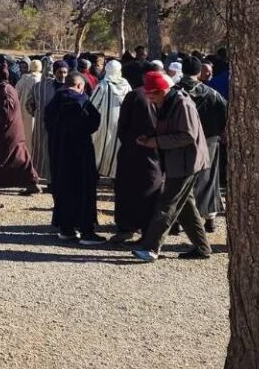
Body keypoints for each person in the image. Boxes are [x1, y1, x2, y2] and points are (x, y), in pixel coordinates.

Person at [130, 71, 211, 262]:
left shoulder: (182, 104)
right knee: (185, 207)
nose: (149, 99)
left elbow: (187, 135)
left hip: (186, 162)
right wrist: (151, 138)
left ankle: (151, 248)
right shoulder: (168, 102)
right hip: (178, 161)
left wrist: (156, 142)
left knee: (167, 204)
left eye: (152, 94)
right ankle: (202, 247)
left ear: (161, 90)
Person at [44, 71, 101, 242]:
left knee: (63, 188)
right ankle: (86, 231)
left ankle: (66, 228)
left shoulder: (52, 103)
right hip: (80, 152)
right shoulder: (81, 101)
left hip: (58, 152)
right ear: (79, 86)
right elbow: (94, 121)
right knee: (83, 189)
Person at [108, 78, 163, 242]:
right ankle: (147, 231)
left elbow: (122, 124)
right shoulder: (162, 97)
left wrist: (128, 141)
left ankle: (126, 227)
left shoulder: (134, 95)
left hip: (131, 150)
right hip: (153, 152)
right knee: (150, 191)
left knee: (126, 190)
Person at [0, 54, 39, 193]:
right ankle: (29, 182)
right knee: (19, 155)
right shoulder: (8, 88)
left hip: (5, 130)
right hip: (12, 129)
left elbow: (6, 113)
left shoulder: (5, 91)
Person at [179, 65, 228, 232]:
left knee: (180, 180)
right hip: (209, 141)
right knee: (208, 179)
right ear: (198, 72)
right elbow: (225, 113)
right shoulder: (212, 94)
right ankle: (210, 218)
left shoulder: (174, 92)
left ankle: (179, 220)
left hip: (180, 141)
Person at [26, 59, 67, 184]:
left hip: (62, 128)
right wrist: (38, 115)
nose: (63, 75)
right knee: (45, 153)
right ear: (55, 72)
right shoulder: (38, 87)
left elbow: (29, 106)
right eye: (60, 72)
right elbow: (29, 105)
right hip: (44, 127)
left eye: (65, 72)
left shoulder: (70, 87)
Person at [89, 58, 131, 177]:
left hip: (104, 123)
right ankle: (114, 173)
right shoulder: (126, 85)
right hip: (121, 122)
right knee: (116, 147)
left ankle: (99, 171)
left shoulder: (103, 85)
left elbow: (92, 105)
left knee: (100, 147)